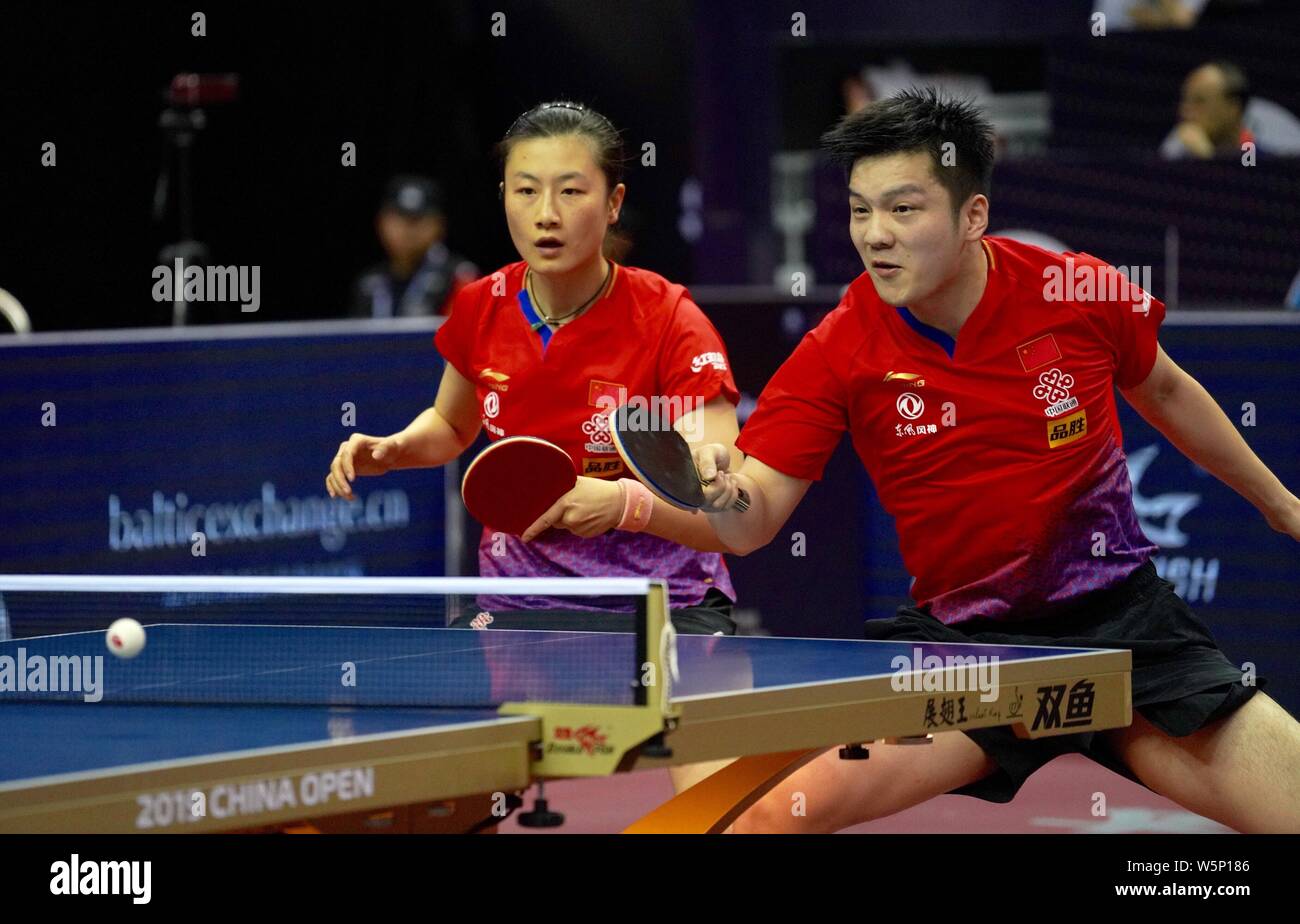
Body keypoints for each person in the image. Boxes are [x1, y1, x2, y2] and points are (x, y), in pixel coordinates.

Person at [692, 88, 1300, 833]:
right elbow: (753, 521)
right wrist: (721, 493)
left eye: (903, 209)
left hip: (1129, 633)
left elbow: (1166, 390)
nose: (875, 235)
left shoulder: (1074, 290)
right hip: (965, 651)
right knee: (761, 819)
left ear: (972, 215)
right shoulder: (841, 346)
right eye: (859, 210)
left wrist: (1281, 504)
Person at [326, 102, 743, 637]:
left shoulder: (670, 321)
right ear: (503, 197)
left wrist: (623, 505)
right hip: (516, 604)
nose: (547, 213)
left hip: (663, 603)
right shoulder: (482, 305)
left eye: (571, 191)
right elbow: (454, 425)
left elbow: (721, 511)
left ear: (614, 203)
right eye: (525, 190)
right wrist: (397, 449)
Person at [349, 175, 478, 318]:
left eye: (417, 220)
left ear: (439, 225)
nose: (407, 230)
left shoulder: (460, 277)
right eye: (399, 218)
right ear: (381, 222)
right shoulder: (368, 283)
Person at [1161, 61, 1255, 160]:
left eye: (1199, 101)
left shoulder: (1256, 160)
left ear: (1233, 108)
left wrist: (1206, 158)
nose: (1184, 113)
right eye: (1185, 100)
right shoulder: (1181, 153)